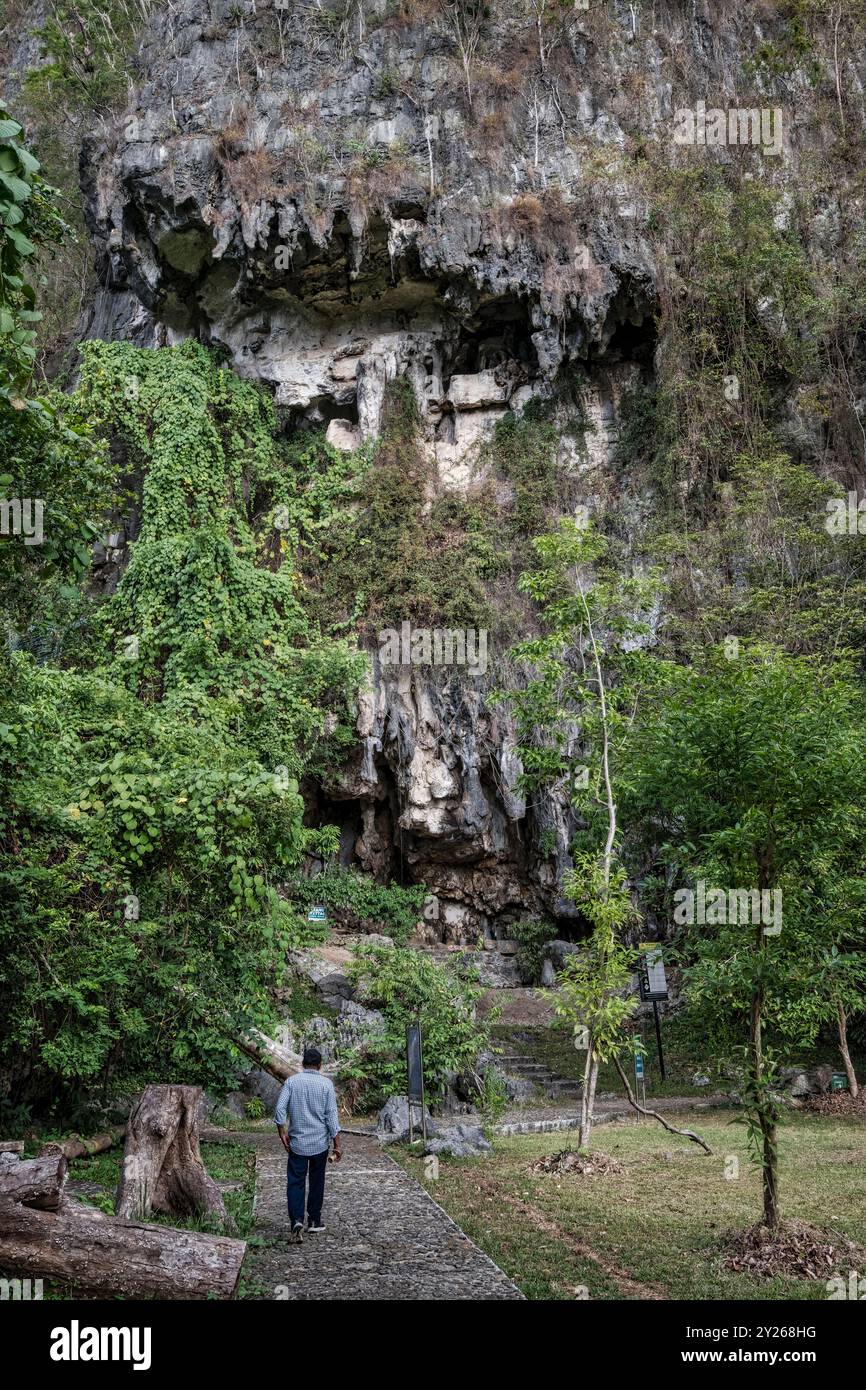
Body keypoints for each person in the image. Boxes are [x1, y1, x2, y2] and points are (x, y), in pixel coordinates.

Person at [274, 1046, 342, 1243]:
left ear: (302, 1064)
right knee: (316, 1181)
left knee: (295, 1181)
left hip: (298, 1144)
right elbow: (331, 1116)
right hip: (320, 1144)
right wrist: (337, 1144)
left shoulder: (291, 1082)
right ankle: (314, 1220)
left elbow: (279, 1110)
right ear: (320, 1065)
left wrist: (282, 1133)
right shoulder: (326, 1085)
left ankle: (296, 1220)